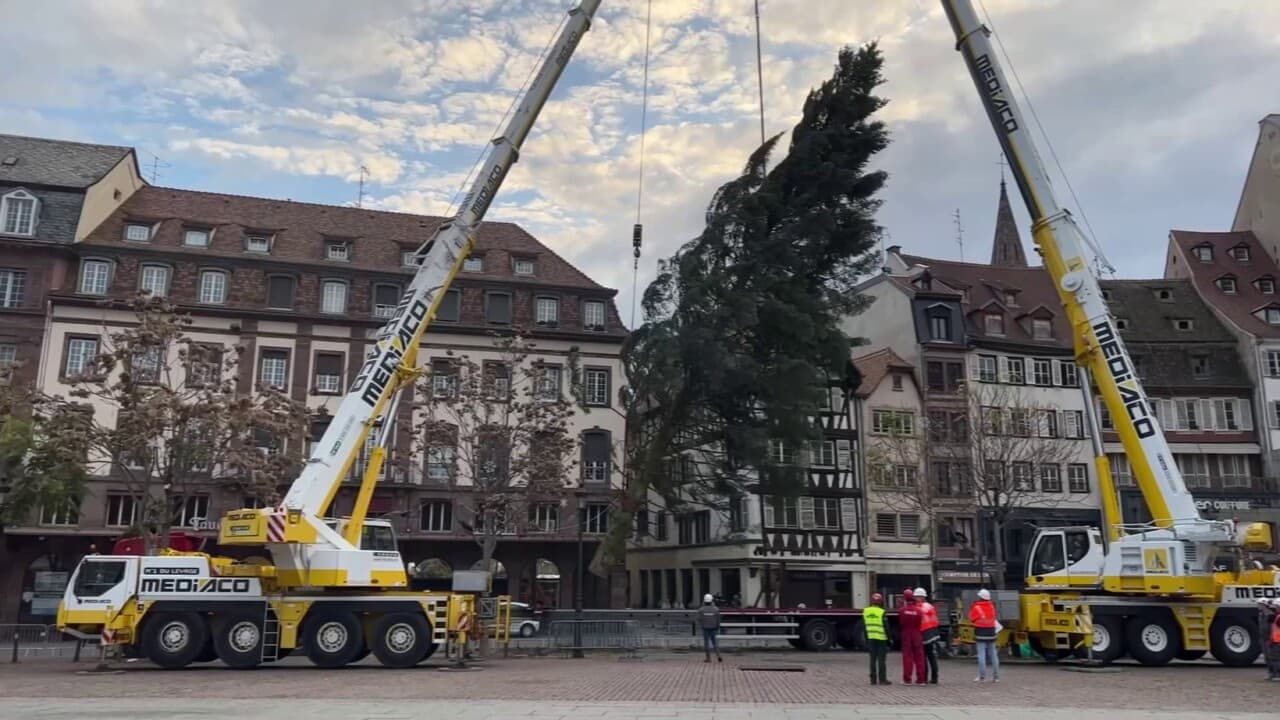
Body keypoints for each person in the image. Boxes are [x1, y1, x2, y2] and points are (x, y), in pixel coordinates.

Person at [970, 588, 999, 683]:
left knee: (981, 654)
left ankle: (982, 676)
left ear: (980, 597)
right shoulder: (992, 606)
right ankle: (996, 677)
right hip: (991, 631)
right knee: (993, 654)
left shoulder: (976, 607)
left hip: (980, 632)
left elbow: (972, 618)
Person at [898, 588, 926, 685]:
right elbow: (920, 622)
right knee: (919, 656)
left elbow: (901, 623)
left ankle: (907, 679)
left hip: (906, 633)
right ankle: (921, 679)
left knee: (907, 657)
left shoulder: (902, 610)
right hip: (917, 633)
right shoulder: (919, 611)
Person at [864, 593, 890, 685]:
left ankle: (873, 680)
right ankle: (882, 679)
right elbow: (886, 627)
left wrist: (866, 638)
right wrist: (889, 639)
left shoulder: (866, 611)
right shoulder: (882, 612)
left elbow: (864, 626)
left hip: (871, 638)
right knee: (881, 660)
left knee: (872, 659)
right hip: (881, 638)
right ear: (880, 602)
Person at [915, 587, 940, 684]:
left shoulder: (920, 607)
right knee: (931, 656)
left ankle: (924, 677)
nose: (915, 598)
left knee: (924, 657)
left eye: (917, 597)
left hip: (925, 633)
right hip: (933, 632)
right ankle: (934, 678)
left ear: (922, 597)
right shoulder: (930, 606)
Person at [698, 593, 723, 663]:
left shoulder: (701, 610)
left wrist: (702, 624)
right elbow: (718, 619)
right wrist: (717, 626)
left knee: (706, 643)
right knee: (715, 643)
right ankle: (719, 656)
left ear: (704, 601)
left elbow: (699, 619)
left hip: (705, 628)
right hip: (714, 628)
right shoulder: (716, 609)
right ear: (712, 601)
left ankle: (708, 658)